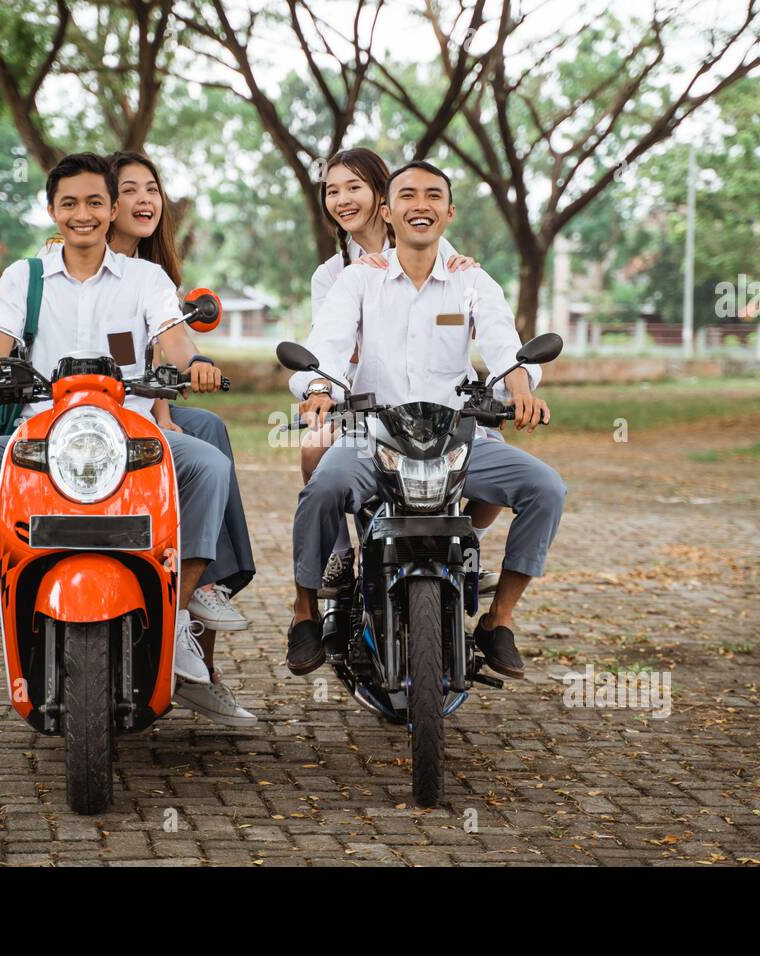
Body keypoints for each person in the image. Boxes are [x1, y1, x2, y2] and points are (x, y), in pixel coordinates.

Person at [0, 152, 229, 689]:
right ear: (52, 210)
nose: (84, 213)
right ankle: (13, 589)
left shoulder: (145, 277)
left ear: (112, 207)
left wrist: (195, 364)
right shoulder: (23, 277)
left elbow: (172, 337)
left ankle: (180, 611)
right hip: (42, 437)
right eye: (69, 202)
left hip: (132, 435)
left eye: (96, 202)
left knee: (209, 466)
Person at [285, 160, 566, 679]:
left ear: (449, 211)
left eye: (433, 195)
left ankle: (498, 620)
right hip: (371, 436)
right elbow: (326, 344)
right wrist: (319, 388)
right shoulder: (355, 280)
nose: (421, 205)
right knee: (322, 489)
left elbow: (505, 343)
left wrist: (520, 386)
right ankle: (306, 608)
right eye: (408, 196)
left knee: (545, 488)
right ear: (388, 213)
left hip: (456, 438)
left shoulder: (472, 280)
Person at [101, 148, 258, 727]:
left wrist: (166, 409)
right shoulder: (59, 270)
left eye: (153, 189)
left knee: (208, 428)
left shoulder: (153, 275)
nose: (146, 200)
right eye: (130, 189)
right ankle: (199, 593)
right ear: (102, 201)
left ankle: (202, 600)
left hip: (141, 408)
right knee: (203, 436)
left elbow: (160, 350)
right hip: (82, 420)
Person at [305, 148, 504, 599]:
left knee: (496, 456)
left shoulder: (437, 252)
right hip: (362, 402)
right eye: (332, 192)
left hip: (438, 403)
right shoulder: (335, 274)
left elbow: (458, 310)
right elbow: (334, 345)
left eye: (353, 187)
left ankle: (463, 542)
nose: (342, 200)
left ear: (381, 197)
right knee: (313, 447)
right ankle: (340, 552)